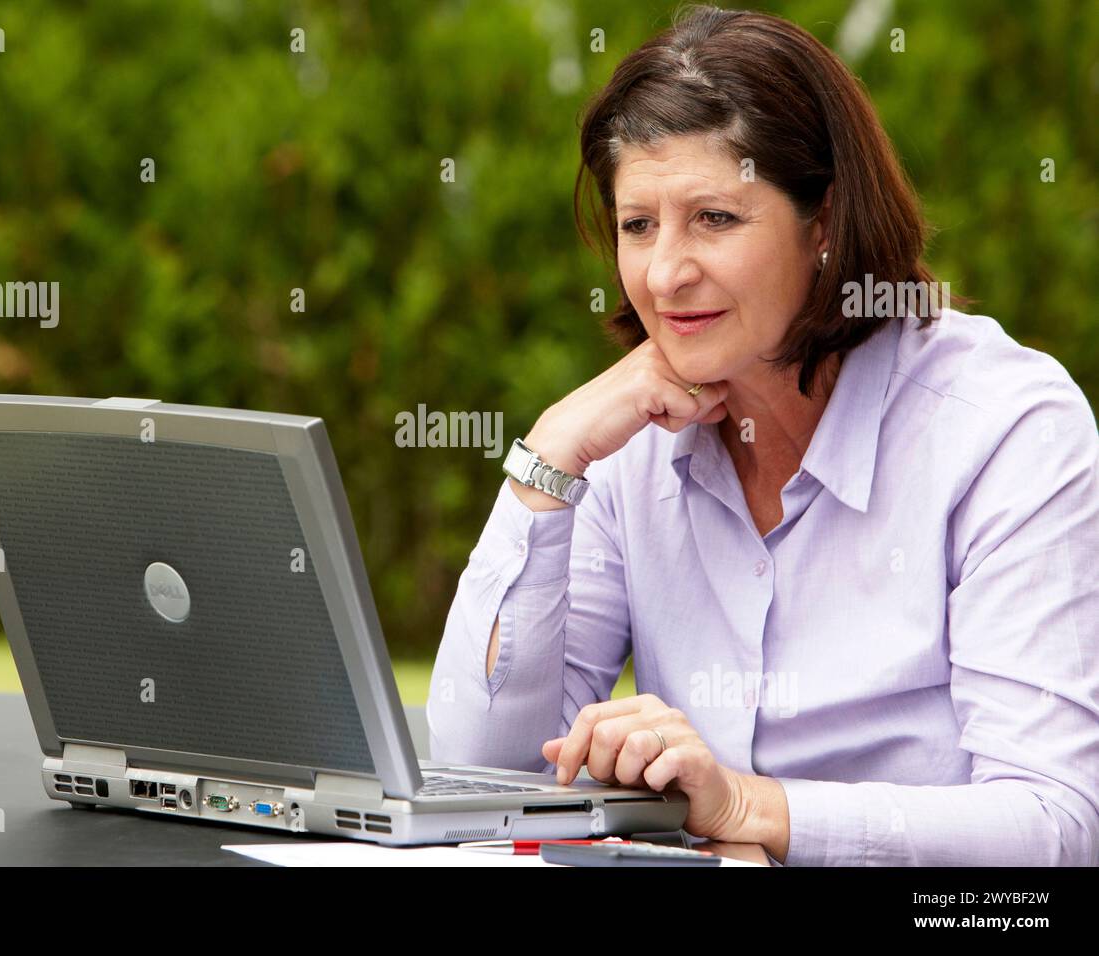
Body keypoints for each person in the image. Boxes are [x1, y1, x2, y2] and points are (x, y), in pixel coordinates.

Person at [426, 5, 1098, 866]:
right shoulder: (626, 441)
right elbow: (477, 781)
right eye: (638, 225)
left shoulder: (1006, 430)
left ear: (824, 225)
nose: (664, 273)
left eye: (715, 218)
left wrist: (751, 808)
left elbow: (1052, 831)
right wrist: (547, 459)